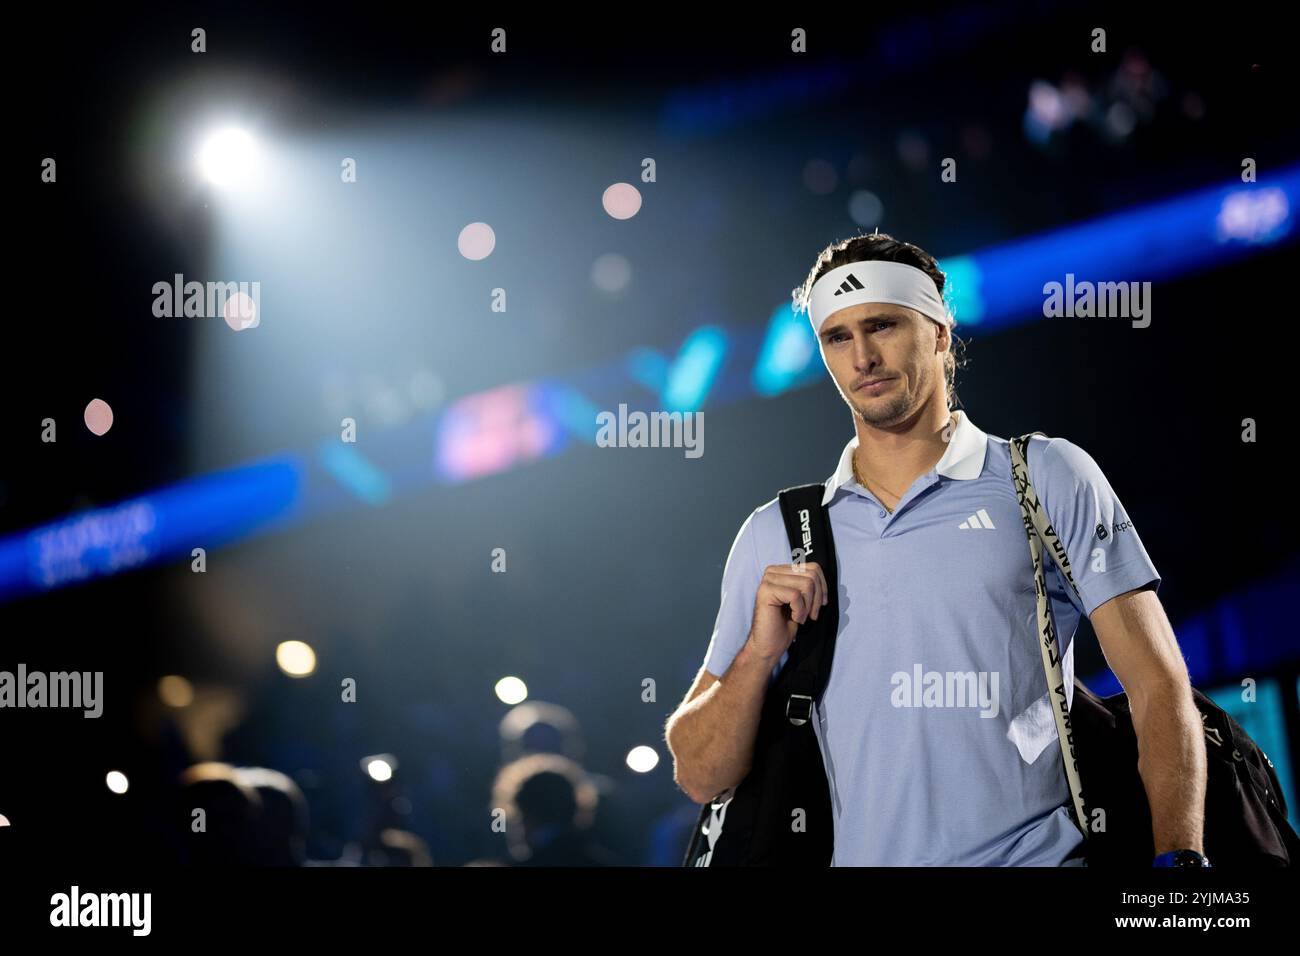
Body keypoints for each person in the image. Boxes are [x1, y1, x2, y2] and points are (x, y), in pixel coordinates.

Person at [664, 232, 1208, 866]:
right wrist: (760, 655)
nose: (862, 356)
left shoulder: (1046, 476)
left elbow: (1157, 685)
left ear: (941, 333)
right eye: (837, 338)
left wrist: (1180, 865)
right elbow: (700, 774)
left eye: (883, 325)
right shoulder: (779, 531)